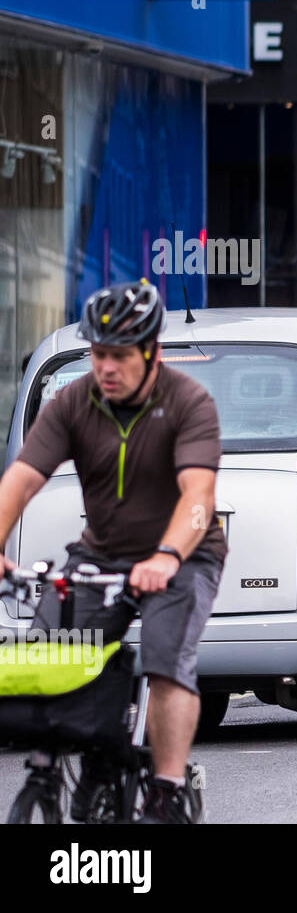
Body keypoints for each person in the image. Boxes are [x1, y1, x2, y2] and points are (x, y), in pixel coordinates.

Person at [0, 279, 226, 823]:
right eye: (98, 354)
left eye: (120, 356)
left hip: (183, 555)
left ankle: (168, 790)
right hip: (99, 555)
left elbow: (198, 499)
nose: (106, 367)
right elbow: (21, 481)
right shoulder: (72, 403)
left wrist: (167, 557)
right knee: (49, 651)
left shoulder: (189, 403)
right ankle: (77, 759)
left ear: (153, 354)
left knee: (168, 663)